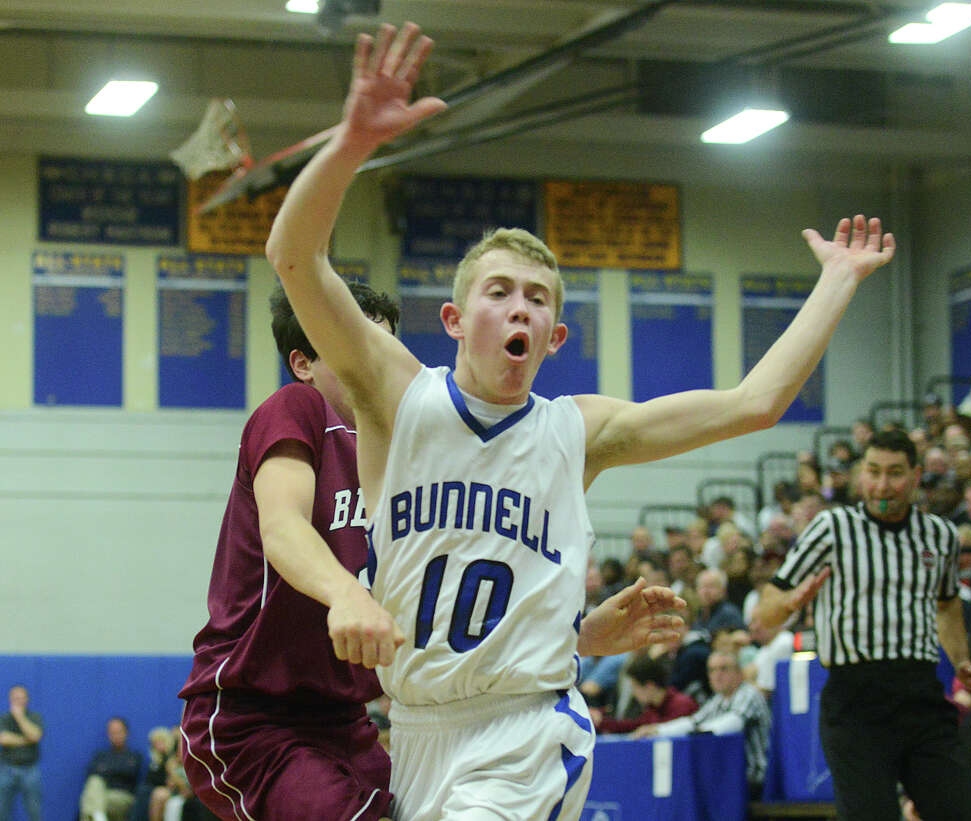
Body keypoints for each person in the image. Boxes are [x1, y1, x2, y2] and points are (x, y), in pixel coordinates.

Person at [264, 20, 894, 821]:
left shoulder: (577, 430)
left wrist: (838, 280)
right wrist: (352, 142)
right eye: (498, 291)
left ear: (554, 337)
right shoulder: (396, 392)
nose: (517, 306)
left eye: (536, 297)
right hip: (416, 731)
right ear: (455, 319)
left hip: (528, 731)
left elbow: (751, 404)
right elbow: (294, 258)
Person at [177, 282, 401, 821]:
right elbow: (283, 529)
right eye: (356, 341)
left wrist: (573, 639)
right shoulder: (298, 408)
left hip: (345, 721)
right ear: (303, 362)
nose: (376, 358)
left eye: (387, 344)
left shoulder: (404, 446)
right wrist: (347, 593)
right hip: (250, 717)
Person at [754, 428, 971, 821]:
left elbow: (947, 606)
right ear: (862, 474)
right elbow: (765, 612)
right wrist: (792, 603)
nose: (883, 485)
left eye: (895, 473)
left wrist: (963, 662)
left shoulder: (941, 535)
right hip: (854, 700)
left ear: (916, 476)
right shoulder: (832, 528)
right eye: (874, 471)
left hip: (921, 695)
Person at [632, 650, 773, 799]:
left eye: (723, 669)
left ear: (739, 672)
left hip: (757, 778)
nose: (717, 675)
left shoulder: (749, 694)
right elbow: (692, 722)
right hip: (732, 778)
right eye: (712, 670)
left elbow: (731, 723)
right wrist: (657, 731)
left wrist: (698, 731)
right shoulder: (718, 700)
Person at [591, 653, 697, 734]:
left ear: (649, 686)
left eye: (635, 687)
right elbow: (633, 726)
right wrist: (601, 721)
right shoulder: (653, 709)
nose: (634, 693)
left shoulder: (682, 705)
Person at [80, 717, 142, 821]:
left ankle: (98, 816)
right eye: (112, 732)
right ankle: (99, 816)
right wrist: (114, 771)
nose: (116, 735)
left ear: (126, 733)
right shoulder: (101, 755)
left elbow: (129, 774)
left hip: (123, 796)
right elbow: (91, 774)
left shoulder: (134, 756)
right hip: (102, 793)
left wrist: (106, 770)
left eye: (119, 732)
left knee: (88, 802)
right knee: (94, 782)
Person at [0, 685, 42, 821]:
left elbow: (35, 735)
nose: (18, 701)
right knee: (2, 808)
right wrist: (26, 739)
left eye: (21, 698)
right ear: (10, 700)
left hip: (30, 768)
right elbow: (3, 739)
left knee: (34, 809)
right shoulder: (4, 718)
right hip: (7, 768)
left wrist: (20, 718)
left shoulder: (34, 717)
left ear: (27, 700)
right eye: (15, 698)